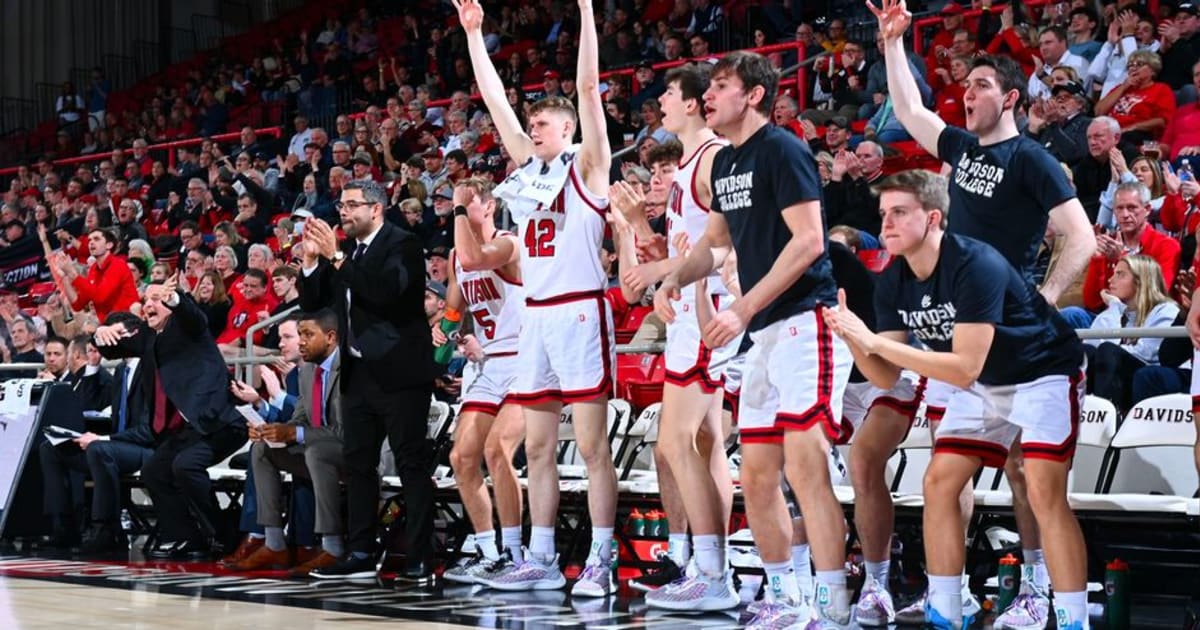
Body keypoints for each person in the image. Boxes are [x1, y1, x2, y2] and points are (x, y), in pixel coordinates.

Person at [872, 0, 1097, 624]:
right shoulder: (964, 149)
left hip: (1023, 345)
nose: (967, 93)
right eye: (966, 84)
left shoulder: (1030, 159)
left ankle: (1049, 600)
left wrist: (1040, 301)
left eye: (981, 85)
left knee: (1036, 484)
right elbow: (912, 111)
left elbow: (1079, 237)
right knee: (943, 480)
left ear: (1014, 99)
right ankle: (949, 605)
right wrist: (893, 44)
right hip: (966, 340)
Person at [824, 168, 1091, 630]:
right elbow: (885, 378)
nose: (885, 224)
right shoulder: (892, 281)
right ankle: (947, 611)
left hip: (1043, 371)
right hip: (984, 381)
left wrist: (876, 341)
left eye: (899, 213)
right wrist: (854, 339)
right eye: (883, 213)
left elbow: (964, 364)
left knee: (1044, 491)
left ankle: (1073, 620)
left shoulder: (975, 264)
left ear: (932, 218)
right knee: (939, 482)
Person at [653, 50, 852, 626]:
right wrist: (669, 278)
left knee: (806, 468)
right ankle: (785, 596)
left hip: (804, 323)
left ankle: (831, 604)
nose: (707, 95)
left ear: (755, 95)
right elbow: (715, 246)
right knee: (758, 475)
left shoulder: (782, 149)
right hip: (764, 334)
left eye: (720, 85)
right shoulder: (729, 164)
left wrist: (740, 307)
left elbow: (810, 240)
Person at [458, 0, 618, 598]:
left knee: (596, 446)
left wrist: (584, 14)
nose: (532, 131)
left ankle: (601, 558)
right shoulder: (528, 171)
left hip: (580, 308)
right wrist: (474, 36)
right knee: (538, 447)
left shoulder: (590, 165)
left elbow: (588, 85)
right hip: (537, 320)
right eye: (533, 127)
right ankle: (542, 556)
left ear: (568, 130)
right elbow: (495, 101)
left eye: (543, 125)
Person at [608, 62, 739, 609]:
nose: (658, 100)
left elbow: (726, 247)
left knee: (673, 444)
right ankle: (707, 565)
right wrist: (647, 243)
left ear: (691, 104)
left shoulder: (710, 160)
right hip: (690, 310)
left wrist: (667, 276)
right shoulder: (688, 166)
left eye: (666, 93)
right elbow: (683, 252)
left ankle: (711, 571)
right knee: (703, 446)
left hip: (713, 312)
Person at [298, 179, 437, 582]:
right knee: (358, 464)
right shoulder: (348, 253)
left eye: (351, 206)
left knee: (411, 465)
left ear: (376, 209)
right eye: (340, 206)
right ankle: (360, 551)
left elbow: (385, 293)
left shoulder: (403, 243)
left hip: (401, 373)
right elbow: (312, 303)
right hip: (358, 374)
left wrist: (337, 257)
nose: (343, 213)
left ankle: (420, 557)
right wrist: (310, 262)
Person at [92, 277, 248, 559]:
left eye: (155, 299)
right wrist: (100, 333)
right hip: (183, 433)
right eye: (146, 300)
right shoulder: (150, 336)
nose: (147, 304)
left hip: (218, 423)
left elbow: (194, 316)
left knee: (185, 466)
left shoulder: (187, 327)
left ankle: (225, 534)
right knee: (154, 471)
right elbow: (114, 347)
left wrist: (176, 299)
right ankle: (187, 537)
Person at [437, 177, 527, 583]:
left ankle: (515, 551)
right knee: (461, 457)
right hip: (489, 364)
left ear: (488, 207)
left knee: (498, 451)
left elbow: (476, 261)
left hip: (526, 362)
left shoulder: (509, 243)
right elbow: (456, 306)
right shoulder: (458, 254)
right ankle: (487, 548)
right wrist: (447, 331)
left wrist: (458, 211)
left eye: (465, 204)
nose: (456, 210)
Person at [231, 309, 346, 577]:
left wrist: (294, 434)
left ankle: (333, 547)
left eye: (308, 335)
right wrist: (271, 431)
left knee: (317, 451)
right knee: (261, 449)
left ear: (331, 338)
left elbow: (345, 432)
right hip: (317, 454)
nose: (301, 341)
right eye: (300, 335)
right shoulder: (308, 373)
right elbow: (299, 420)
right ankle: (273, 542)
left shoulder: (348, 371)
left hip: (354, 457)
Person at [40, 339, 154, 554]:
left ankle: (105, 530)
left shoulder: (150, 369)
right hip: (117, 445)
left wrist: (102, 440)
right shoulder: (121, 370)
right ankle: (62, 526)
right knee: (50, 448)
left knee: (99, 449)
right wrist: (92, 365)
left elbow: (147, 431)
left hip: (144, 448)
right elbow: (85, 407)